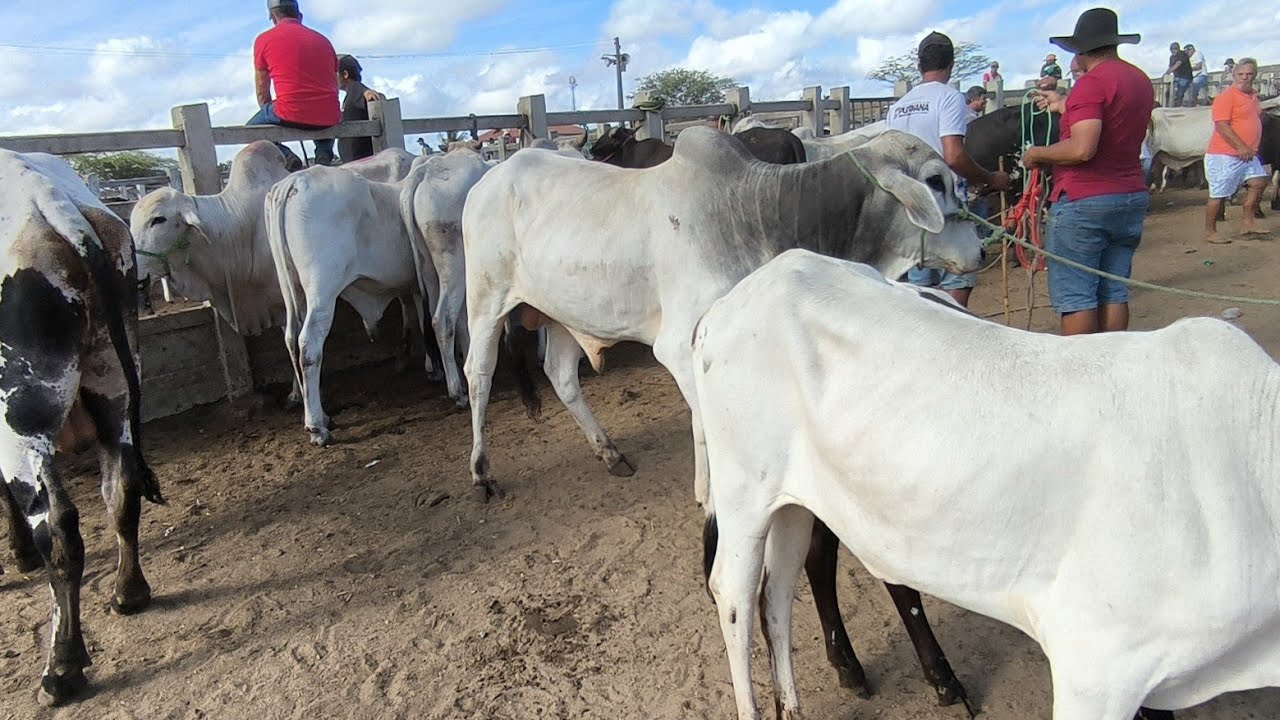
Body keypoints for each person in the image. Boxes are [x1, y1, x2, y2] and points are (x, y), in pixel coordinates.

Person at [1022, 8, 1154, 336]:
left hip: (1085, 200)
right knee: (1114, 290)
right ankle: (1113, 365)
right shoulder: (1138, 80)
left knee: (1077, 296)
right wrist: (1064, 104)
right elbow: (1111, 114)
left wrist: (1037, 154)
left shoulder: (1091, 84)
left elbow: (1082, 148)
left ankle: (1079, 376)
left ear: (1081, 52)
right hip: (1129, 195)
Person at [886, 31, 1011, 307]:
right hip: (949, 204)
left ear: (919, 66)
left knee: (920, 286)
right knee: (958, 279)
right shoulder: (949, 98)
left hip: (913, 207)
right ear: (951, 65)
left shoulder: (897, 108)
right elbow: (954, 155)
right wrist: (991, 178)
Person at [250, 0, 341, 166]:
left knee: (249, 132)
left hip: (289, 110)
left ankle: (288, 158)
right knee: (324, 114)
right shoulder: (324, 40)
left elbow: (262, 92)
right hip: (330, 113)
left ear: (273, 17)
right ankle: (323, 156)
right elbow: (334, 85)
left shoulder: (264, 40)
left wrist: (267, 109)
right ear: (299, 16)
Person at [1204, 58, 1268, 243]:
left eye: (1249, 74)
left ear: (1254, 75)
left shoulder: (1253, 97)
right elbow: (1222, 126)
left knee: (1259, 181)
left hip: (1248, 153)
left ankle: (1248, 223)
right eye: (1241, 74)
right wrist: (1240, 146)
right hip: (1224, 154)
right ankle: (1210, 231)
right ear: (1234, 75)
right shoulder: (1226, 97)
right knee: (1218, 193)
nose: (1245, 77)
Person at [333, 54, 387, 164]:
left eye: (335, 73)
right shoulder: (351, 94)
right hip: (357, 161)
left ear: (345, 74)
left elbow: (366, 93)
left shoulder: (354, 88)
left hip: (360, 162)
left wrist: (369, 94)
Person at [1166, 42, 1192, 107]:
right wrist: (1165, 74)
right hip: (1177, 77)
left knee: (1180, 91)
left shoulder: (1182, 54)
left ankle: (1177, 105)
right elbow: (1170, 67)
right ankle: (1168, 104)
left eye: (1175, 49)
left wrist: (1170, 71)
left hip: (1185, 77)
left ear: (1178, 49)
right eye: (1171, 49)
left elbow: (1178, 63)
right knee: (1169, 89)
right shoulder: (1171, 57)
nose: (1173, 51)